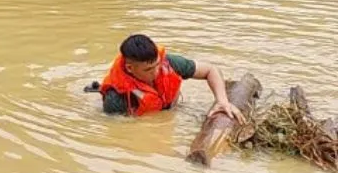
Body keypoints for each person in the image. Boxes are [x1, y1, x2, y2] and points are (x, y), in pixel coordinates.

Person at [98, 33, 245, 122]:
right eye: (148, 69)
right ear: (130, 68)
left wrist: (222, 101)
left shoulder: (169, 63)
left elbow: (211, 70)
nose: (156, 72)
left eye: (157, 65)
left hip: (170, 108)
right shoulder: (115, 98)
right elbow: (121, 131)